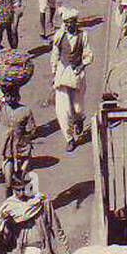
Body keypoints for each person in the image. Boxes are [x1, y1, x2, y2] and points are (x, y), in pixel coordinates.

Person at [50, 9, 92, 150]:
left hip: (76, 73)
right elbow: (54, 55)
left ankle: (79, 120)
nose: (69, 25)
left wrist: (81, 65)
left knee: (77, 107)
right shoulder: (59, 36)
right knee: (62, 109)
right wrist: (54, 72)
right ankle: (69, 138)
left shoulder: (83, 36)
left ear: (76, 22)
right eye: (66, 23)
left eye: (71, 22)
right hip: (62, 72)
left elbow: (88, 54)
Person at [0, 81, 36, 195]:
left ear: (18, 97)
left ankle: (19, 180)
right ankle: (8, 193)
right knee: (8, 173)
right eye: (8, 96)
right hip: (6, 145)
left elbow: (32, 129)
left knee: (22, 169)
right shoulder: (1, 108)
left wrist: (26, 138)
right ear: (5, 97)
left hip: (21, 145)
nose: (10, 99)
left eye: (13, 96)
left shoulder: (25, 110)